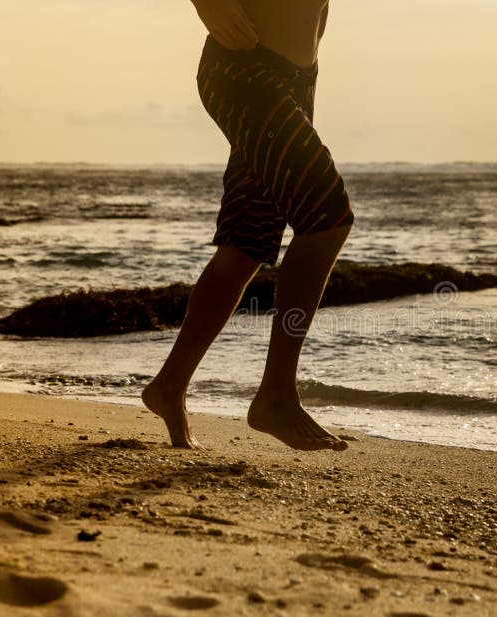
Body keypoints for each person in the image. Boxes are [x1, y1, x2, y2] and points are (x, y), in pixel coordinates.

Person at [142, 0, 353, 451]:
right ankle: (276, 393)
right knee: (326, 219)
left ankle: (169, 386)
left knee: (247, 241)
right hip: (245, 70)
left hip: (297, 80)